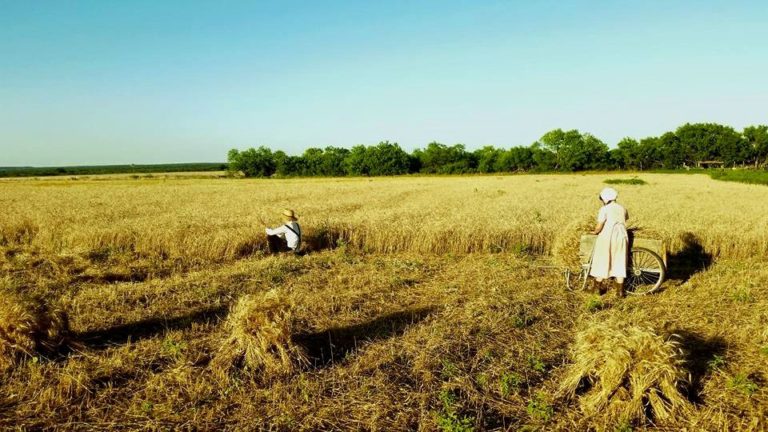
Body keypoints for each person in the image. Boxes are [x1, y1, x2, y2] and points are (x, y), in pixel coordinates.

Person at [589, 187, 629, 297]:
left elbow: (599, 226)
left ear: (605, 199)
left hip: (607, 236)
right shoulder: (622, 208)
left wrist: (595, 232)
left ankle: (597, 289)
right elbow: (625, 219)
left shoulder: (604, 209)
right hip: (621, 236)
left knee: (602, 259)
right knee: (620, 261)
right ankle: (620, 292)